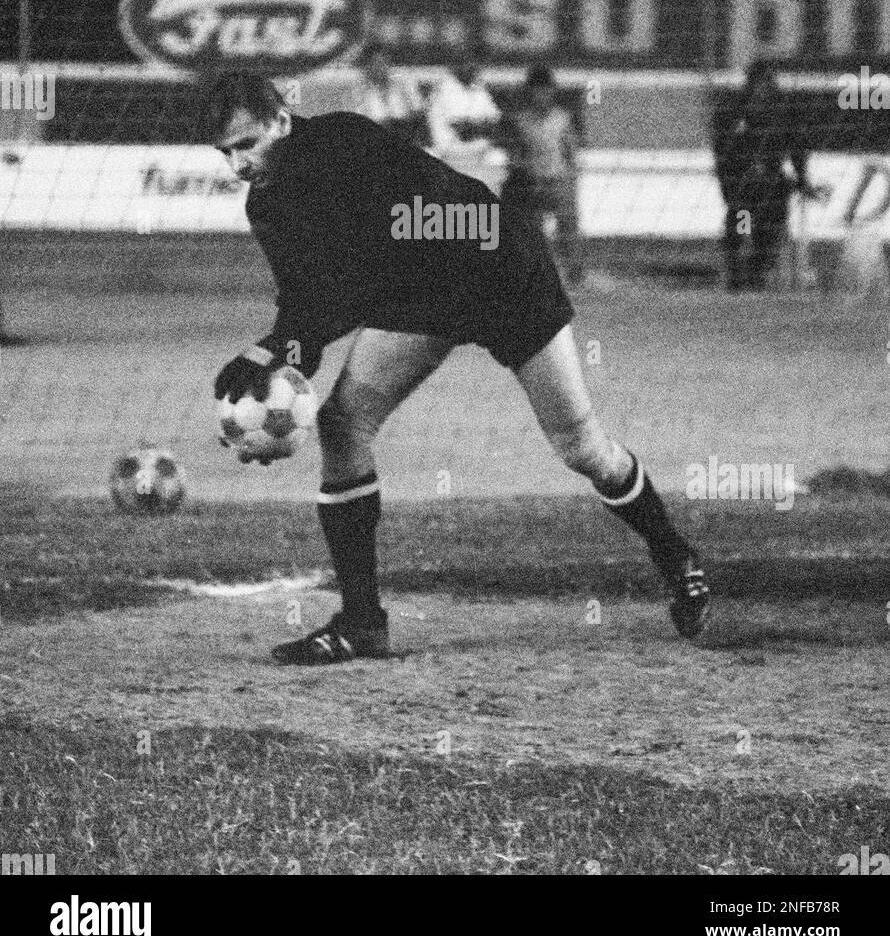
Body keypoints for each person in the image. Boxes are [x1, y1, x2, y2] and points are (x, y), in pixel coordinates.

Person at [207, 73, 710, 666]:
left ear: (281, 121)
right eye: (226, 152)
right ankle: (362, 623)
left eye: (246, 144)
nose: (238, 163)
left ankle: (676, 557)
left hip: (499, 269)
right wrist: (282, 366)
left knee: (582, 448)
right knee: (343, 426)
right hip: (425, 291)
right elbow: (304, 302)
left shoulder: (344, 146)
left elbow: (351, 285)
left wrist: (277, 348)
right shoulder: (267, 204)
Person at [712, 61, 823, 291]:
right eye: (759, 83)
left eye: (767, 83)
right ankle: (736, 276)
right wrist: (729, 185)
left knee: (768, 237)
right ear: (750, 85)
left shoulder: (782, 114)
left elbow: (797, 149)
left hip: (772, 190)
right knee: (741, 229)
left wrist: (802, 181)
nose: (763, 89)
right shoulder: (734, 113)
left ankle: (756, 275)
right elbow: (722, 152)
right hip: (743, 193)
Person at [501, 63, 584, 286]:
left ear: (552, 91)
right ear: (529, 92)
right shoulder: (521, 120)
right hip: (531, 182)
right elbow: (514, 154)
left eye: (546, 90)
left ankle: (575, 274)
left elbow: (571, 151)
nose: (542, 95)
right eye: (537, 90)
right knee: (531, 232)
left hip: (558, 180)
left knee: (568, 226)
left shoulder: (562, 118)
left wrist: (571, 178)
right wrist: (523, 172)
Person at [426, 59, 502, 182]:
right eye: (465, 61)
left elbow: (497, 125)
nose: (472, 65)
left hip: (479, 156)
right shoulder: (446, 87)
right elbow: (463, 132)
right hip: (450, 158)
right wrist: (482, 125)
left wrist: (475, 125)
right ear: (455, 65)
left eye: (474, 60)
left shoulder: (479, 89)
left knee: (499, 158)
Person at [352, 41, 428, 146]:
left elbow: (420, 116)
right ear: (366, 67)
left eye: (383, 63)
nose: (380, 68)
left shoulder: (404, 83)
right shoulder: (360, 92)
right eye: (375, 64)